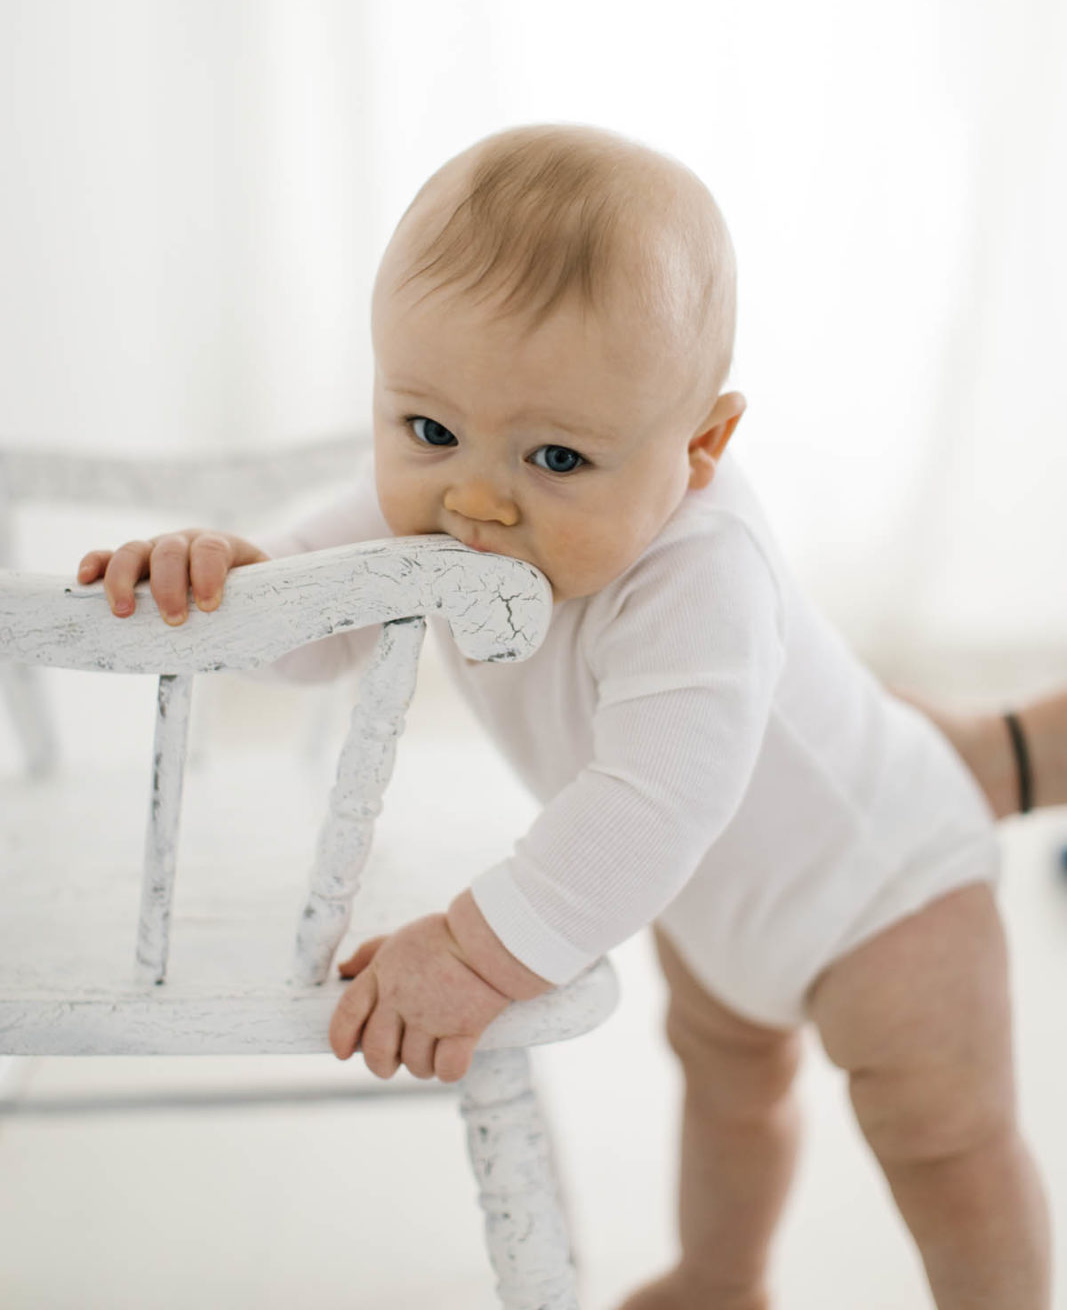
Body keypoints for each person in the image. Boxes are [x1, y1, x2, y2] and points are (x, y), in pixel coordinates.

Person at [76, 124, 1058, 1309]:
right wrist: (222, 580)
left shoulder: (701, 573)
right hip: (716, 910)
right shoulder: (444, 501)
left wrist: (473, 949)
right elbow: (318, 620)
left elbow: (657, 798)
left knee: (942, 1147)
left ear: (700, 446)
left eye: (554, 457)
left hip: (884, 886)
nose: (477, 499)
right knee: (729, 1093)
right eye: (428, 431)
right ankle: (719, 1278)